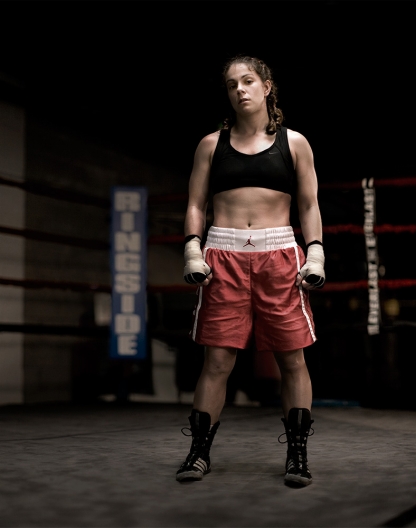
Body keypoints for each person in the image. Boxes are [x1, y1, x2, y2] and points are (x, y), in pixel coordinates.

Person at [176, 55, 325, 487]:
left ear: (266, 86)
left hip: (279, 252)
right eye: (230, 84)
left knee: (291, 357)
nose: (239, 89)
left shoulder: (295, 143)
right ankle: (198, 453)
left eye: (247, 81)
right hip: (222, 253)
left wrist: (315, 252)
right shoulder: (210, 144)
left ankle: (297, 456)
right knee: (217, 360)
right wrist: (191, 248)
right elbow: (195, 204)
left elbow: (309, 204)